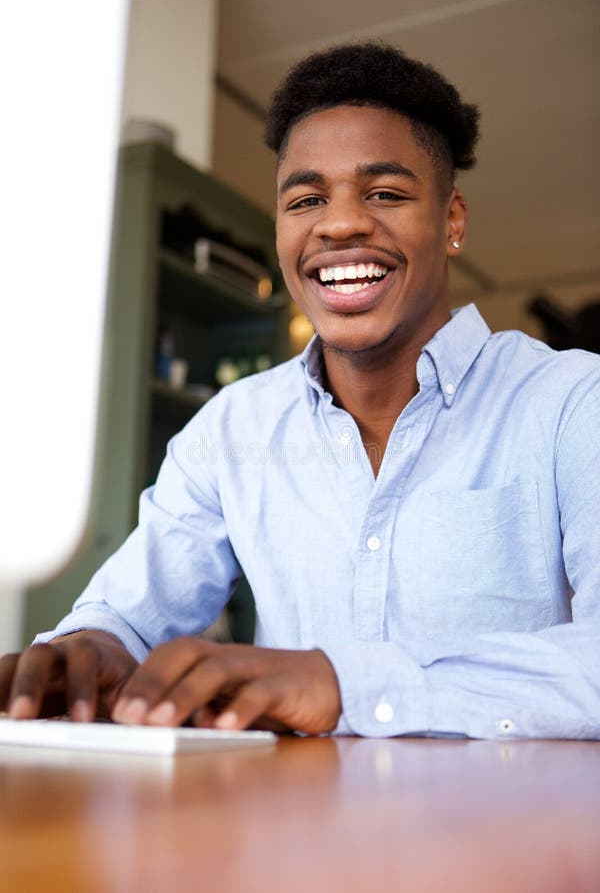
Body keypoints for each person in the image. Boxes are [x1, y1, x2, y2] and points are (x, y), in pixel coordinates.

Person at [1, 43, 599, 739]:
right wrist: (92, 651)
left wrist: (341, 684)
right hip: (291, 833)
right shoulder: (233, 429)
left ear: (453, 220)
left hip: (518, 840)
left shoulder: (572, 404)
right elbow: (129, 614)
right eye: (307, 199)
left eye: (385, 193)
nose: (339, 223)